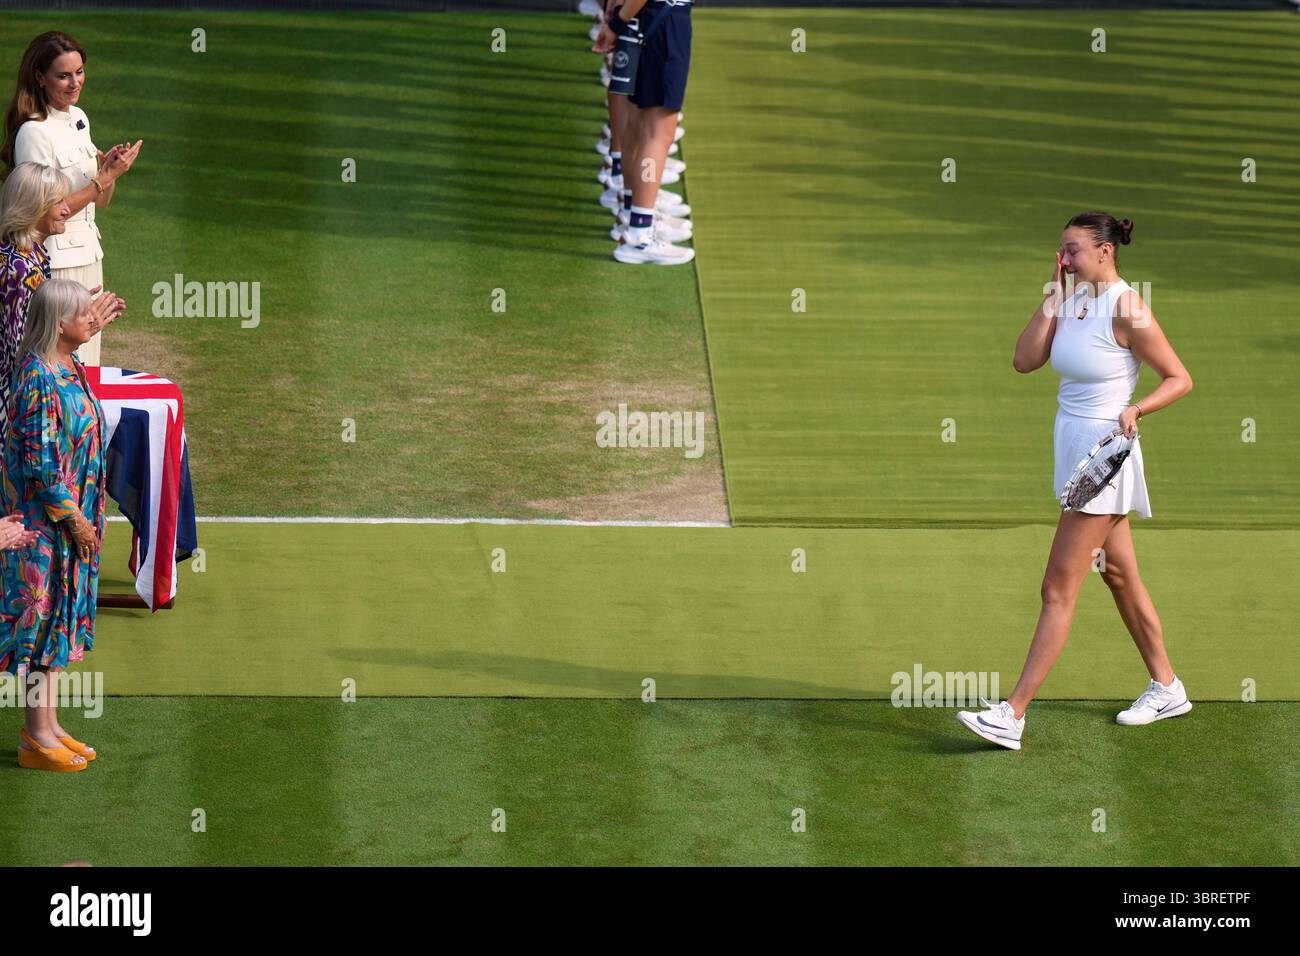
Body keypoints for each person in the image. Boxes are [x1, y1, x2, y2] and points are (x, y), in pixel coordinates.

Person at [958, 212, 1195, 750]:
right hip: (1071, 452)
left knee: (1057, 588)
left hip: (1102, 461)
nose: (1064, 258)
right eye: (1061, 250)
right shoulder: (1073, 301)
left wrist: (1138, 408)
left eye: (1073, 250)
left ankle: (1012, 714)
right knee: (1119, 576)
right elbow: (1024, 361)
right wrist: (1053, 294)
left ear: (1106, 251)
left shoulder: (1128, 308)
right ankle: (1167, 687)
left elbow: (1180, 378)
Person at [0, 279, 108, 771]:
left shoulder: (69, 365)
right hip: (47, 527)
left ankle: (47, 725)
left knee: (59, 625)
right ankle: (35, 735)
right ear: (60, 325)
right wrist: (78, 521)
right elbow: (40, 462)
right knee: (41, 627)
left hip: (69, 523)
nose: (92, 319)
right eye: (84, 314)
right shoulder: (38, 377)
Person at [1, 30, 142, 366]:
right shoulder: (33, 132)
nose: (75, 82)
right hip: (55, 262)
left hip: (90, 254)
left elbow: (101, 202)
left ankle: (83, 419)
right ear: (39, 77)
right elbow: (41, 212)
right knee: (57, 354)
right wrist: (103, 177)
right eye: (63, 75)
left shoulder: (79, 119)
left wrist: (110, 174)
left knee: (87, 355)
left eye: (79, 72)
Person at [0, 162, 122, 435]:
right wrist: (80, 328)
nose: (67, 209)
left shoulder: (31, 254)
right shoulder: (20, 269)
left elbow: (37, 319)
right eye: (57, 203)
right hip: (20, 415)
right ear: (33, 207)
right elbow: (22, 353)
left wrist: (70, 310)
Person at [594, 0, 694, 264]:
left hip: (642, 19)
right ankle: (639, 236)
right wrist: (616, 23)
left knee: (638, 129)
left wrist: (616, 17)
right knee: (656, 135)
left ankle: (632, 215)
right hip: (661, 21)